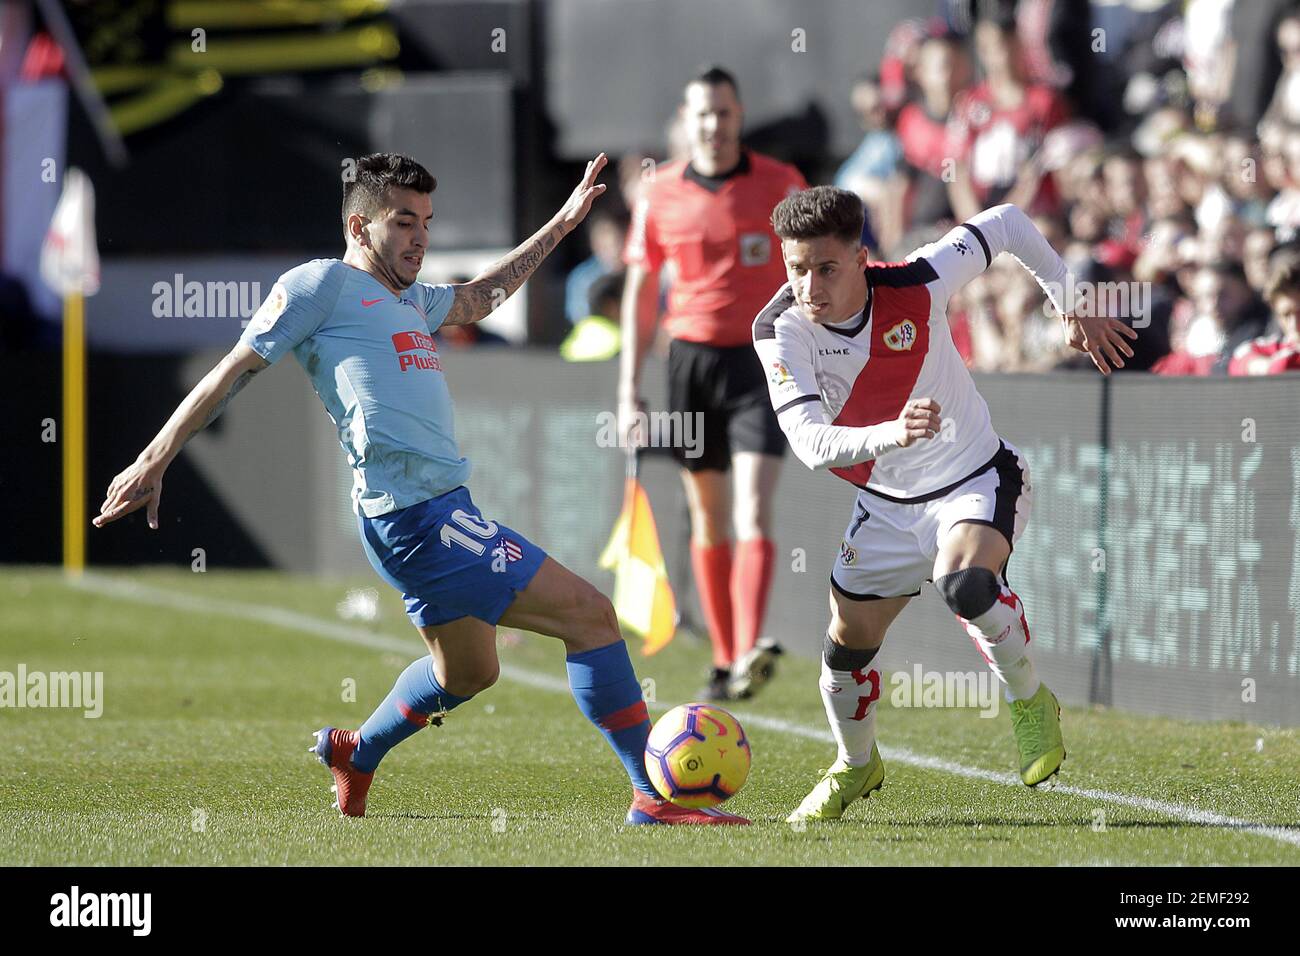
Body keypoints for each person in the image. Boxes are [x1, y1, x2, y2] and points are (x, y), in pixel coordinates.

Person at [92, 152, 746, 826]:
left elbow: (482, 295)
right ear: (358, 225)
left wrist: (563, 222)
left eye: (427, 222)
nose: (420, 237)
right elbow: (235, 368)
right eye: (404, 221)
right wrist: (153, 459)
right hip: (418, 520)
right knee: (590, 615)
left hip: (433, 514)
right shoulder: (320, 285)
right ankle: (653, 794)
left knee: (470, 674)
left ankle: (359, 751)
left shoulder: (410, 296)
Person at [752, 186, 1135, 821]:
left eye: (826, 268)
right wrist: (894, 432)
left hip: (974, 477)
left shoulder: (919, 280)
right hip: (884, 505)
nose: (810, 287)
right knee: (844, 651)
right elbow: (810, 443)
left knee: (965, 584)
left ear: (861, 258)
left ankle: (1029, 700)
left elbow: (1009, 222)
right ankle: (855, 764)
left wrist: (1071, 301)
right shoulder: (779, 329)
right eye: (797, 269)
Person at [619, 66, 807, 701]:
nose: (714, 125)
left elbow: (816, 271)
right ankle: (727, 660)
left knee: (755, 503)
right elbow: (642, 292)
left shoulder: (781, 184)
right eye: (703, 114)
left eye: (724, 113)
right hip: (691, 364)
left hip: (762, 360)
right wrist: (628, 386)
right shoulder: (659, 193)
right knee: (709, 517)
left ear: (739, 115)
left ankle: (749, 645)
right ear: (686, 118)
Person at [1229, 251, 1300, 375]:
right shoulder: (1276, 348)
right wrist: (1271, 367)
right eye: (1286, 315)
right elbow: (1238, 360)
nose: (1295, 325)